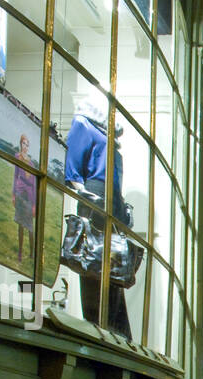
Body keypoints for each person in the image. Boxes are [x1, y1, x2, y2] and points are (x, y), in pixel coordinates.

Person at [65, 94, 131, 341]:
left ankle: (115, 326)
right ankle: (97, 323)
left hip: (112, 199)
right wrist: (79, 188)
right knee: (93, 258)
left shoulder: (107, 133)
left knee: (112, 262)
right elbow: (74, 161)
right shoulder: (84, 122)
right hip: (95, 193)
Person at [12, 134, 37, 266]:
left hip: (29, 195)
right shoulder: (18, 157)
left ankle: (32, 253)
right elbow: (15, 176)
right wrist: (13, 194)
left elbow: (34, 184)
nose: (25, 147)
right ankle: (20, 253)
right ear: (20, 144)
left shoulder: (31, 164)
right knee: (21, 225)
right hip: (20, 192)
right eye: (24, 143)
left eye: (27, 144)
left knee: (30, 227)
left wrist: (34, 205)